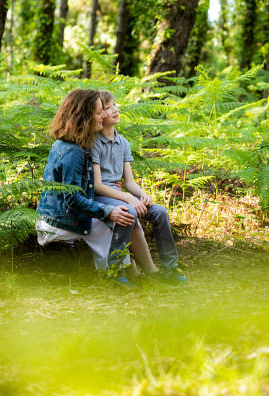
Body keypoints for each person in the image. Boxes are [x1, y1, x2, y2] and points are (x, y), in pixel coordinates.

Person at [35, 89, 136, 283]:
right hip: (58, 222)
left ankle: (117, 274)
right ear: (85, 116)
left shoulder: (76, 144)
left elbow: (85, 185)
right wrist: (107, 211)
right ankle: (113, 276)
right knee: (116, 221)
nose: (104, 115)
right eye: (99, 113)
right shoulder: (73, 152)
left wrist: (112, 189)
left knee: (118, 219)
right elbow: (72, 198)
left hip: (64, 217)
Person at [91, 90, 187, 285]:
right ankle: (115, 271)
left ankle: (169, 269)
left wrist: (143, 195)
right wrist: (127, 199)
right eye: (108, 108)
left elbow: (129, 182)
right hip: (102, 195)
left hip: (119, 193)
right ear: (100, 115)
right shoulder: (94, 143)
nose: (115, 110)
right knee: (129, 213)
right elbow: (98, 185)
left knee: (159, 212)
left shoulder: (123, 143)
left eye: (114, 105)